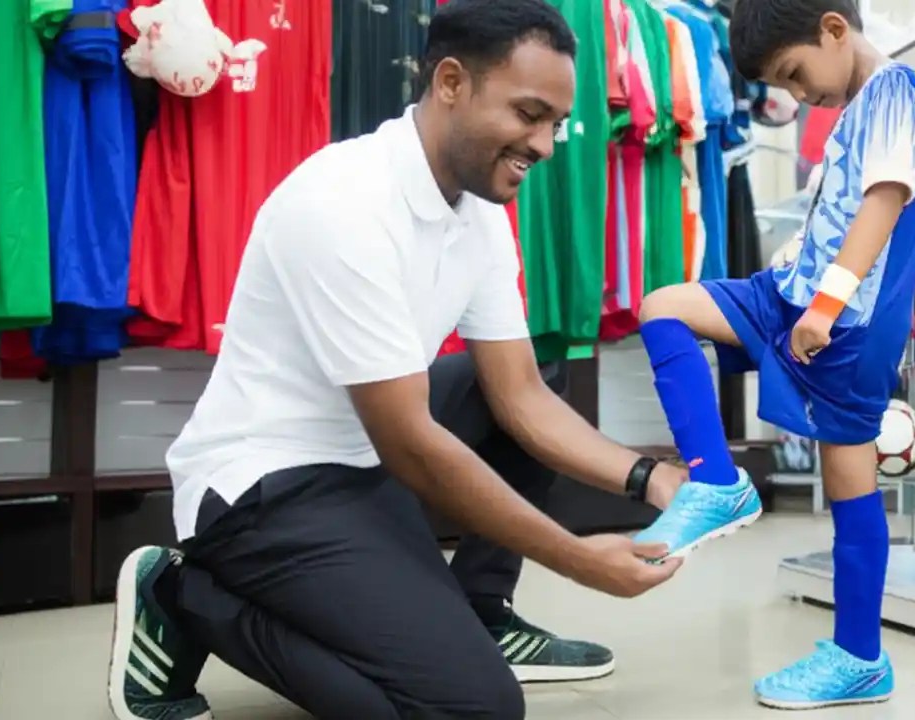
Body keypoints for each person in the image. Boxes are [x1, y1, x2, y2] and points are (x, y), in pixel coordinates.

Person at [105, 2, 688, 719]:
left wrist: (651, 477)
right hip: (264, 485)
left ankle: (482, 612)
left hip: (360, 459)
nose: (545, 143)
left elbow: (522, 398)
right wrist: (578, 559)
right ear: (449, 82)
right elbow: (411, 444)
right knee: (471, 709)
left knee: (517, 377)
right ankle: (186, 595)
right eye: (529, 114)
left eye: (556, 123)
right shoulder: (343, 201)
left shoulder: (480, 214)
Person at [631, 0, 915, 710]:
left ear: (834, 29)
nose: (800, 96)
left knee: (849, 481)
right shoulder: (855, 106)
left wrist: (826, 304)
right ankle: (714, 481)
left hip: (847, 324)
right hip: (789, 292)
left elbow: (883, 203)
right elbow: (835, 212)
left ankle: (860, 658)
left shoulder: (895, 88)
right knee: (664, 308)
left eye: (796, 75)